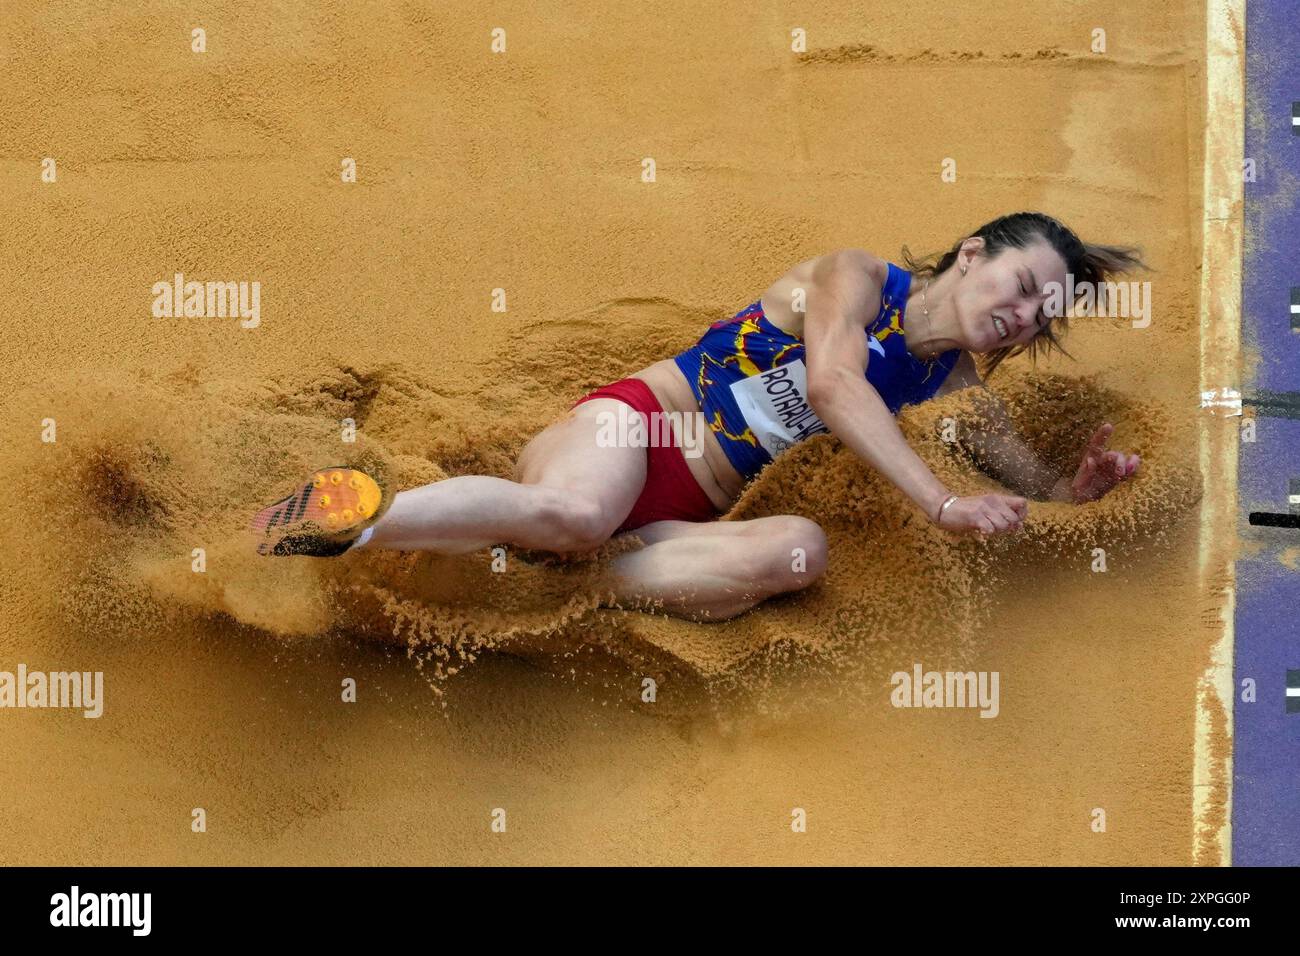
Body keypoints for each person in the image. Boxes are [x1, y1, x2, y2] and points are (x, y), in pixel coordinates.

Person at [253, 212, 1144, 621]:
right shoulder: (856, 277)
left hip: (685, 524)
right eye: (1024, 286)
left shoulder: (961, 397)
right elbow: (834, 385)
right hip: (634, 433)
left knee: (801, 550)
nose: (1025, 315)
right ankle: (345, 520)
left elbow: (1028, 489)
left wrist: (1074, 487)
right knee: (578, 514)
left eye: (1043, 314)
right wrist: (942, 505)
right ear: (975, 253)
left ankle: (558, 586)